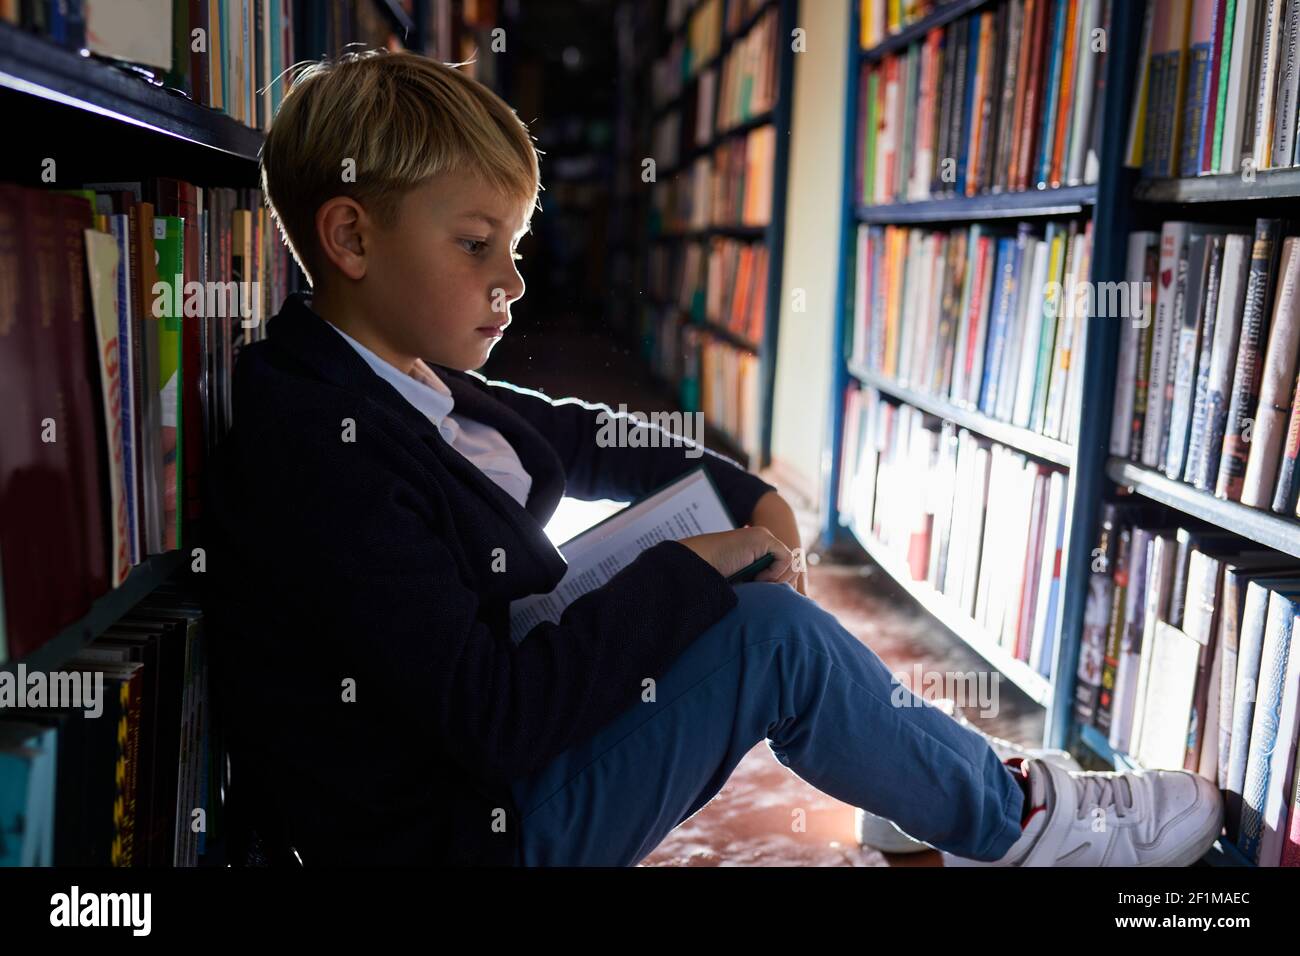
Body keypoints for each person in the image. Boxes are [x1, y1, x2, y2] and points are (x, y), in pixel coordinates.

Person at [201, 48, 1224, 867]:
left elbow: (587, 431)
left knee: (752, 612)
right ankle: (1019, 828)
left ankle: (947, 789)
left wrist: (749, 492)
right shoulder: (321, 448)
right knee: (768, 637)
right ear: (350, 237)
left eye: (514, 243)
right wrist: (689, 568)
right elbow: (492, 718)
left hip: (490, 784)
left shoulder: (403, 377)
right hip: (468, 832)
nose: (510, 281)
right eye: (476, 243)